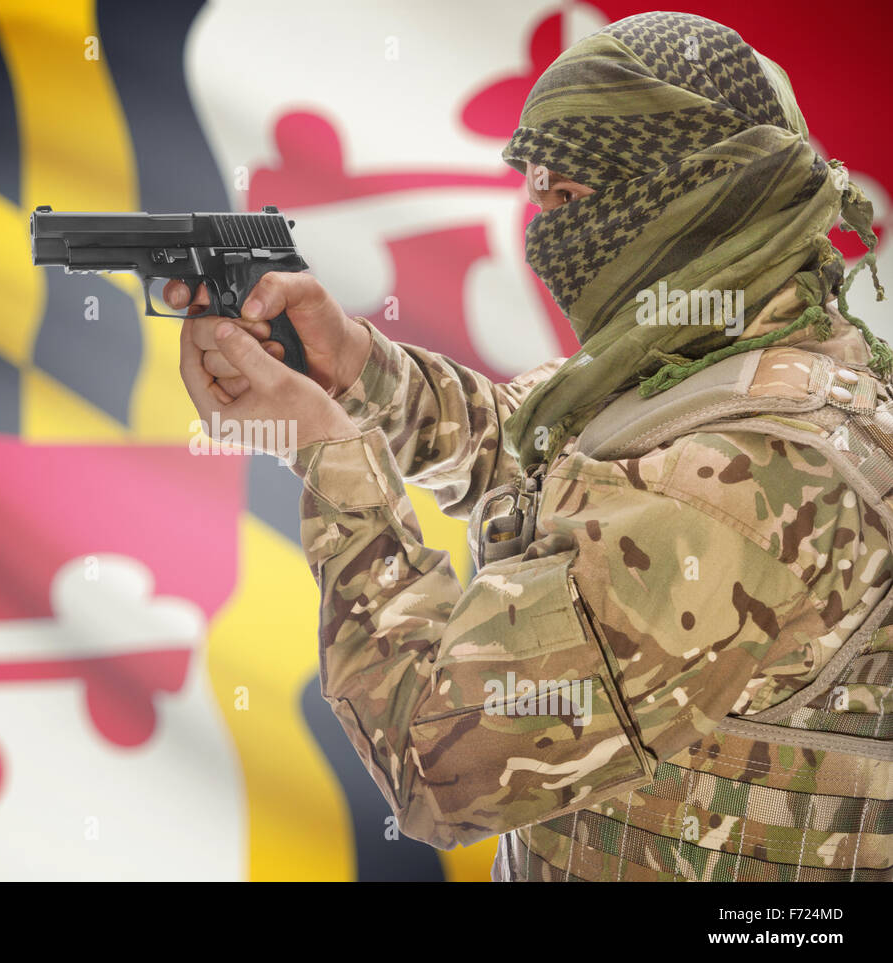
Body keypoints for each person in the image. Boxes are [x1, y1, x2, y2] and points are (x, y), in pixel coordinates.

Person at [171, 11, 890, 881]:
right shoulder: (728, 357)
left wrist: (332, 457)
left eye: (566, 195)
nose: (538, 223)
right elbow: (536, 454)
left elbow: (441, 763)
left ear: (688, 193)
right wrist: (355, 366)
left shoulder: (746, 484)